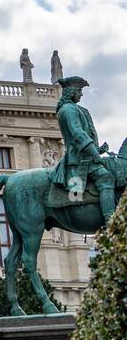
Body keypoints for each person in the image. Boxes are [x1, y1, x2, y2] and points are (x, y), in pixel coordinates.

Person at [50, 76, 116, 227]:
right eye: (79, 90)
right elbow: (78, 134)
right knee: (106, 178)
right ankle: (110, 222)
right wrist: (94, 153)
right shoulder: (68, 110)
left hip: (84, 156)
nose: (81, 94)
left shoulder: (72, 109)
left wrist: (98, 150)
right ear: (71, 91)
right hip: (80, 160)